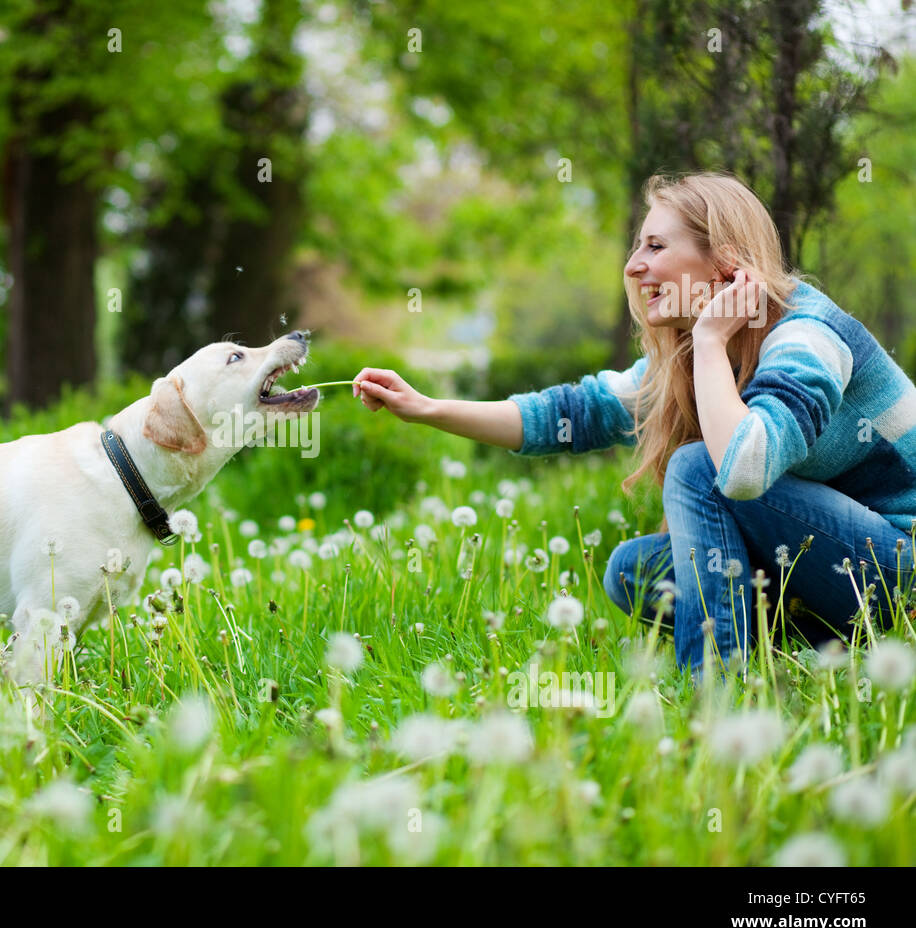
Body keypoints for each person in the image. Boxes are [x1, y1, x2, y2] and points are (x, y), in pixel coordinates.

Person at [351, 171, 916, 677]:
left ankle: (717, 689)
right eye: (636, 246)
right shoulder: (695, 356)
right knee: (634, 570)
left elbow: (744, 470)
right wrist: (425, 407)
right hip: (832, 567)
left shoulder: (807, 337)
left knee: (700, 467)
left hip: (899, 569)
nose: (633, 264)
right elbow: (569, 414)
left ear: (723, 261)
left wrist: (713, 341)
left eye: (655, 245)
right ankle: (814, 654)